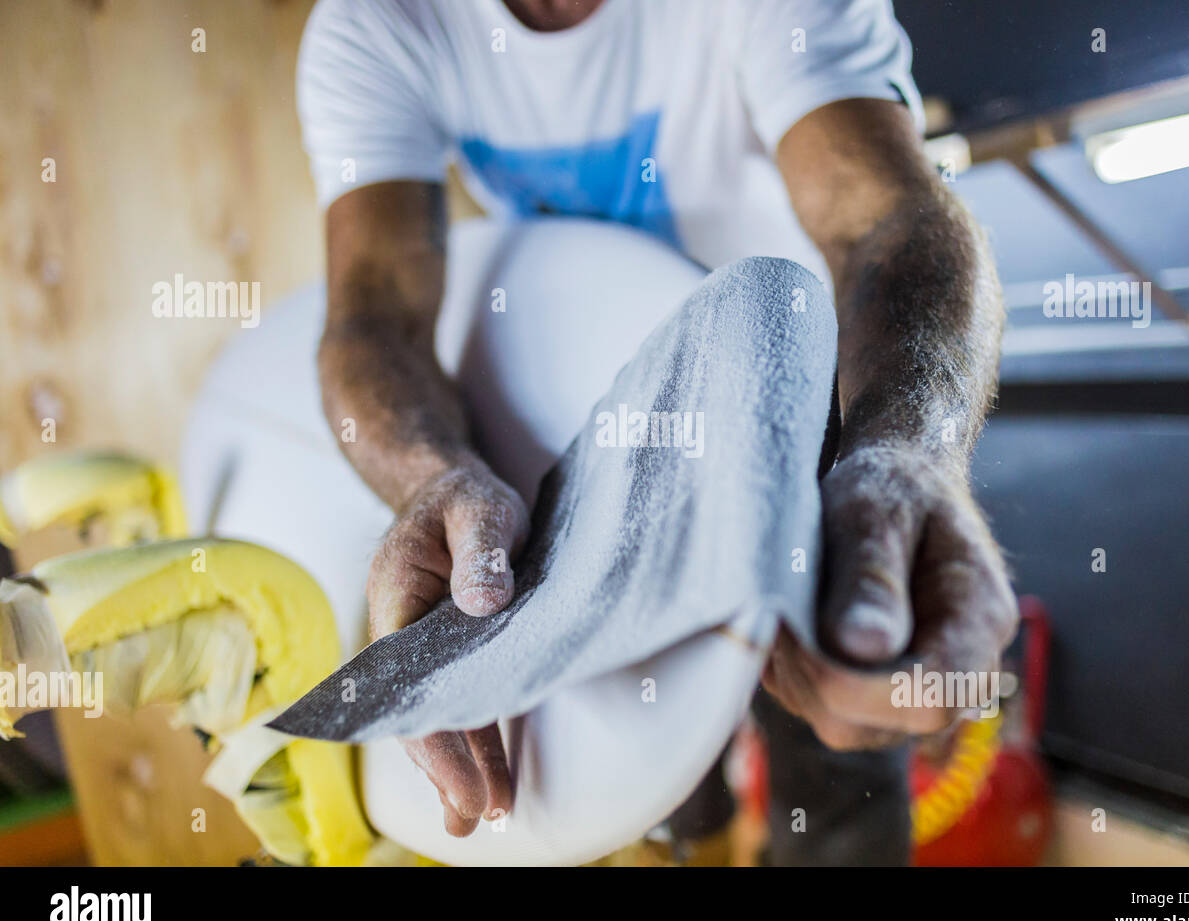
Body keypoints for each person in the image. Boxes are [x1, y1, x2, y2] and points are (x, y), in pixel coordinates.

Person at [297, 0, 1018, 864]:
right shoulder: (374, 24)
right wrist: (432, 476)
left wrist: (909, 451)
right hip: (594, 439)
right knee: (652, 773)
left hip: (815, 412)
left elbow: (889, 219)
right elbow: (374, 318)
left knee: (836, 754)